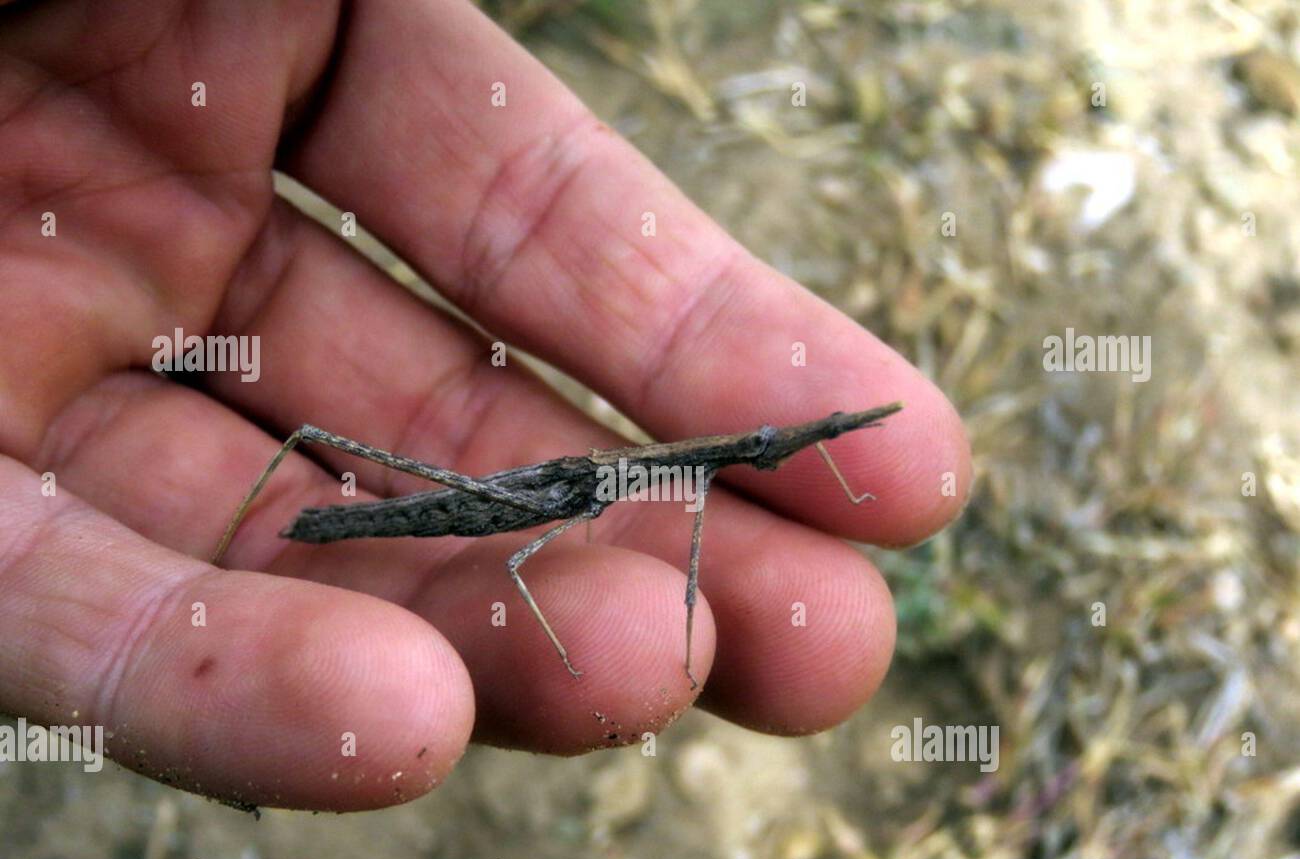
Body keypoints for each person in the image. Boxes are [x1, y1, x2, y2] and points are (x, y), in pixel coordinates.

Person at [0, 0, 970, 810]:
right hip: (489, 497)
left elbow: (778, 455)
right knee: (384, 479)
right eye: (762, 447)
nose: (771, 449)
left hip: (531, 494)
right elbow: (529, 540)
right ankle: (257, 532)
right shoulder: (628, 485)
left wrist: (822, 438)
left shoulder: (672, 477)